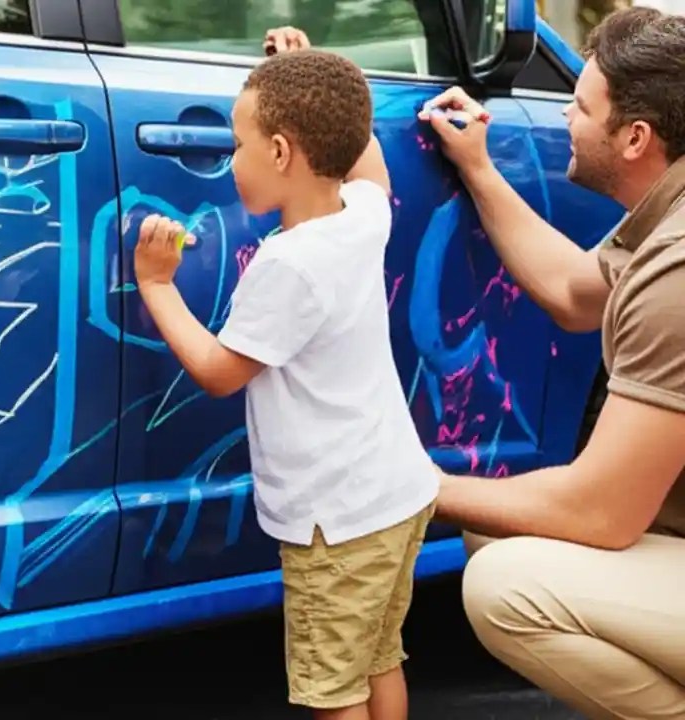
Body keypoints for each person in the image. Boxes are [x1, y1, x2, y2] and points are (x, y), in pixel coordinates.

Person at [133, 28, 434, 720]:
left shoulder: (286, 265)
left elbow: (218, 371)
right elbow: (370, 167)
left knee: (333, 693)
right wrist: (304, 74)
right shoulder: (360, 217)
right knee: (379, 657)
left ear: (279, 152)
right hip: (397, 497)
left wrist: (157, 286)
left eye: (238, 145)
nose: (233, 158)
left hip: (337, 524)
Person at [418, 7, 685, 719]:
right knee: (500, 522)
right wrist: (477, 167)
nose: (564, 112)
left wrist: (409, 485)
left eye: (582, 105)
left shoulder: (680, 269)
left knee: (505, 584)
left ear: (636, 138)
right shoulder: (669, 211)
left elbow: (600, 513)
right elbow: (573, 293)